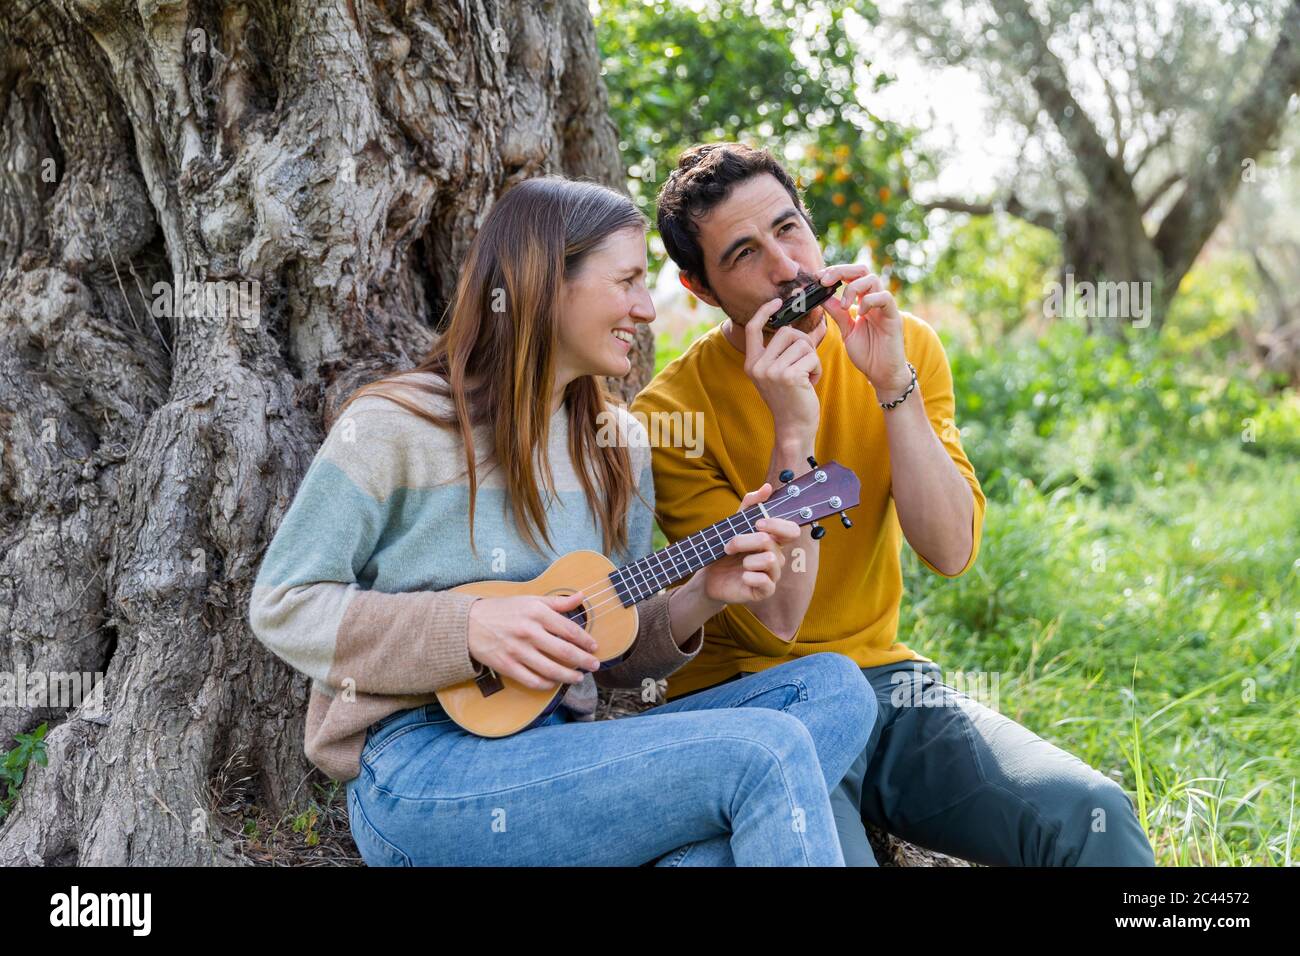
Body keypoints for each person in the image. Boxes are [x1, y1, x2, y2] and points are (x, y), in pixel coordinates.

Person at [247, 174, 877, 866]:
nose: (646, 309)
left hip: (562, 752)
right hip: (423, 769)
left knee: (834, 690)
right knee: (768, 750)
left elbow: (612, 653)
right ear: (544, 284)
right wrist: (470, 630)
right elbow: (283, 603)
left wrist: (704, 593)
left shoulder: (617, 447)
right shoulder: (395, 427)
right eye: (628, 282)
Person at [632, 142, 1156, 866]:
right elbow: (775, 626)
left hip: (885, 686)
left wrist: (892, 386)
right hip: (754, 709)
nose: (786, 269)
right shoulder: (670, 414)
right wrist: (793, 431)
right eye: (744, 254)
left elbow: (951, 551)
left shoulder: (902, 348)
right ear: (699, 289)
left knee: (1090, 816)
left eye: (789, 230)